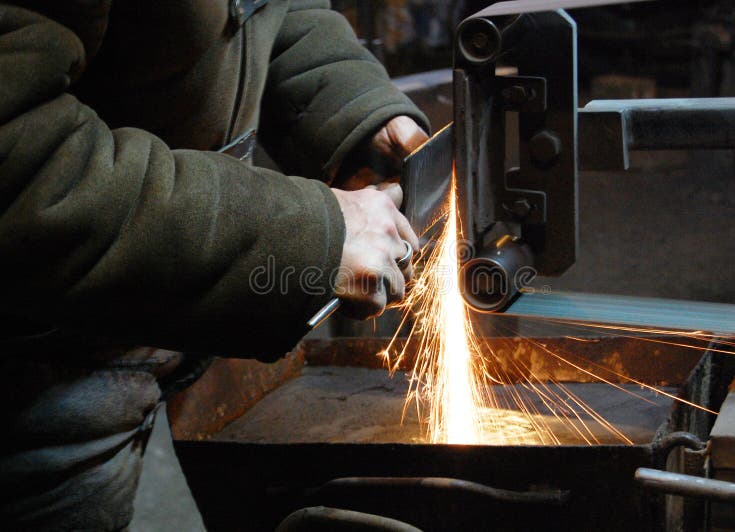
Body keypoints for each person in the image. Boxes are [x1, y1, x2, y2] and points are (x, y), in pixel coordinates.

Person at [0, 1, 430, 529]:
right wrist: (303, 233)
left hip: (150, 316)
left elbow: (277, 10)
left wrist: (355, 110)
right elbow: (20, 166)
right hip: (33, 375)